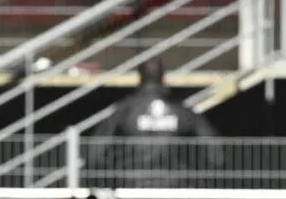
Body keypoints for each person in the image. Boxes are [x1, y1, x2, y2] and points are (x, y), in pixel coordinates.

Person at [92, 58, 219, 187]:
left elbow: (96, 150)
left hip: (132, 182)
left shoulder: (125, 109)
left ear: (140, 77)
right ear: (163, 77)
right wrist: (201, 179)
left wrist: (108, 178)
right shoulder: (181, 109)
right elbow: (214, 149)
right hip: (173, 184)